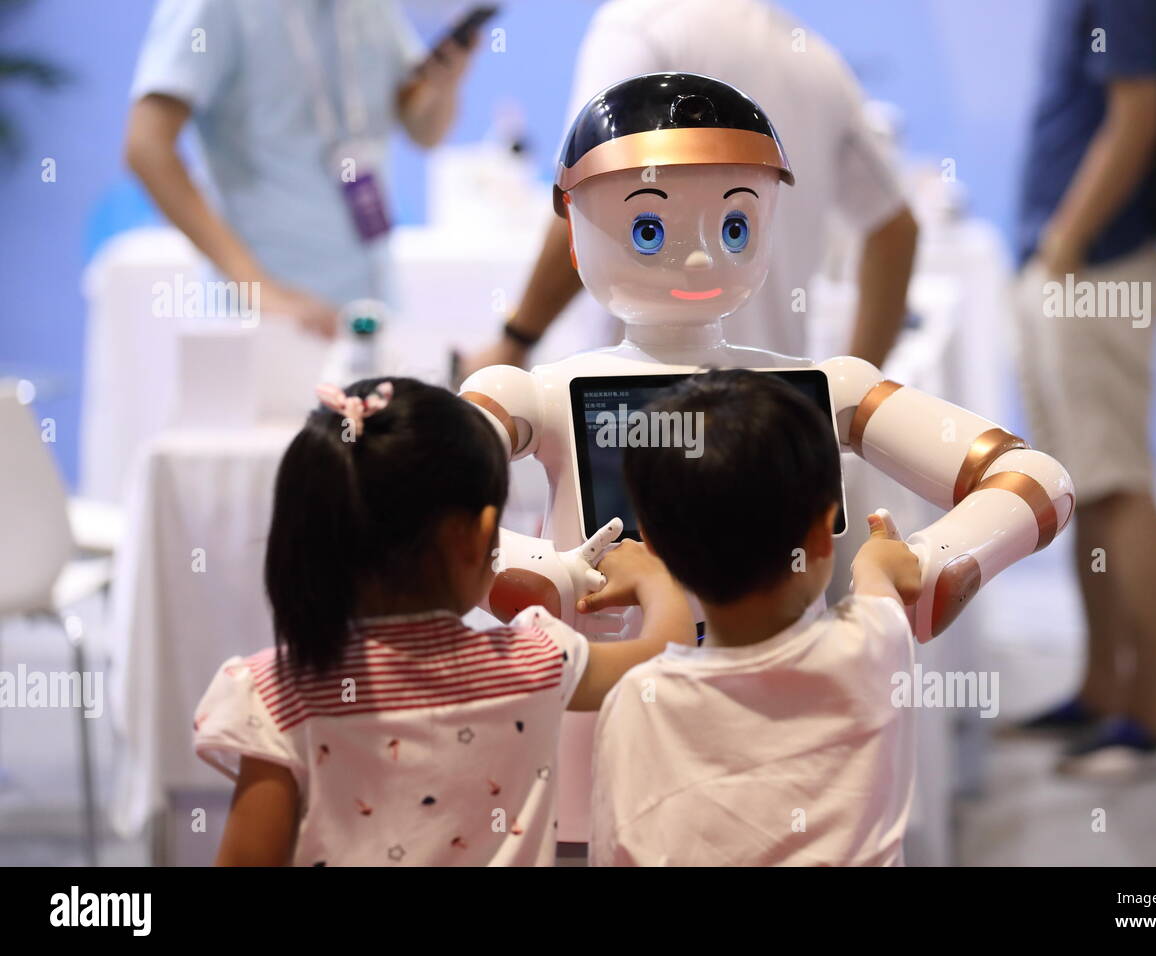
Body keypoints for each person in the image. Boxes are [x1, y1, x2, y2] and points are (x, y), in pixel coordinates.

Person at [194, 377, 694, 866]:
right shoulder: (536, 659)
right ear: (480, 537)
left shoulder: (273, 694)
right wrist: (657, 575)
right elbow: (662, 654)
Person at [460, 0, 917, 375]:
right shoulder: (816, 59)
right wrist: (853, 387)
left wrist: (516, 339)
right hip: (772, 405)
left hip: (640, 403)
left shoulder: (638, 29)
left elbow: (590, 189)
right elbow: (896, 227)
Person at [584, 370, 922, 866]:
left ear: (654, 546)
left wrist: (654, 581)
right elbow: (882, 581)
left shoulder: (637, 702)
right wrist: (878, 559)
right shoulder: (875, 640)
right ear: (824, 534)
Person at [1010, 0, 1156, 778]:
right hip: (1074, 262)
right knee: (1086, 485)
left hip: (1093, 267)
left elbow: (1139, 113)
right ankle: (1102, 691)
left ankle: (1147, 718)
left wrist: (1067, 239)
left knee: (1118, 480)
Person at [125, 0, 476, 337]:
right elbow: (146, 147)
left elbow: (423, 132)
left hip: (373, 302)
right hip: (271, 318)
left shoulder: (368, 5)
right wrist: (256, 287)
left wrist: (446, 83)